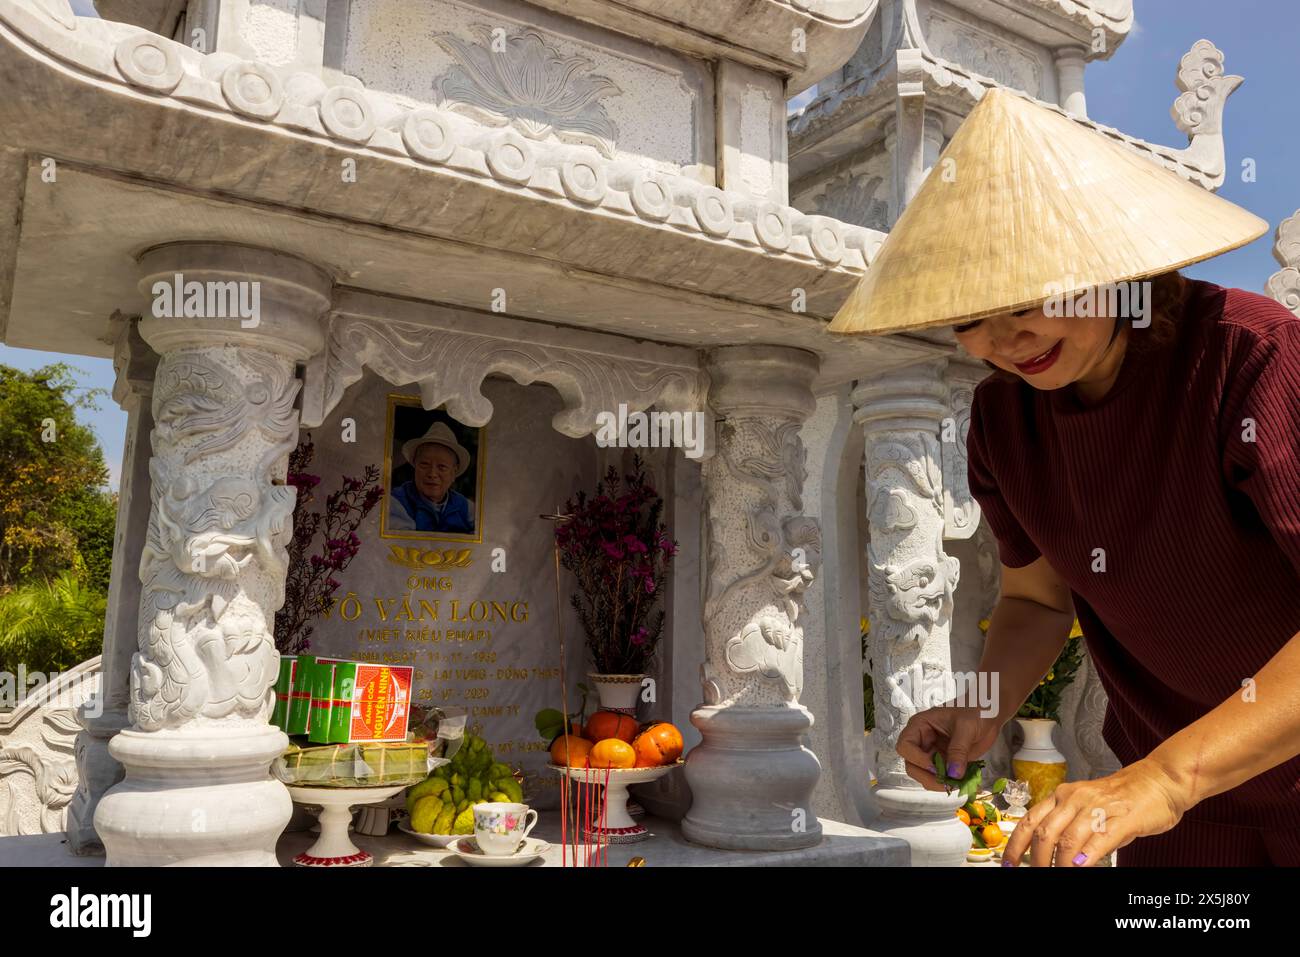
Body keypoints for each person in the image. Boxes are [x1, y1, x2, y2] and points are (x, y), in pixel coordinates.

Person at [829, 89, 1300, 866]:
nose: (1007, 338)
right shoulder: (1004, 422)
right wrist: (984, 707)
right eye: (972, 318)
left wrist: (1163, 781)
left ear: (1111, 266)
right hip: (1183, 814)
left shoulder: (1251, 358)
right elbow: (1038, 598)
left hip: (1191, 779)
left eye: (1032, 300)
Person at [388, 421, 476, 535]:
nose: (432, 474)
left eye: (442, 467)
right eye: (424, 464)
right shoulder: (396, 502)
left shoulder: (466, 507)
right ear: (415, 466)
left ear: (454, 473)